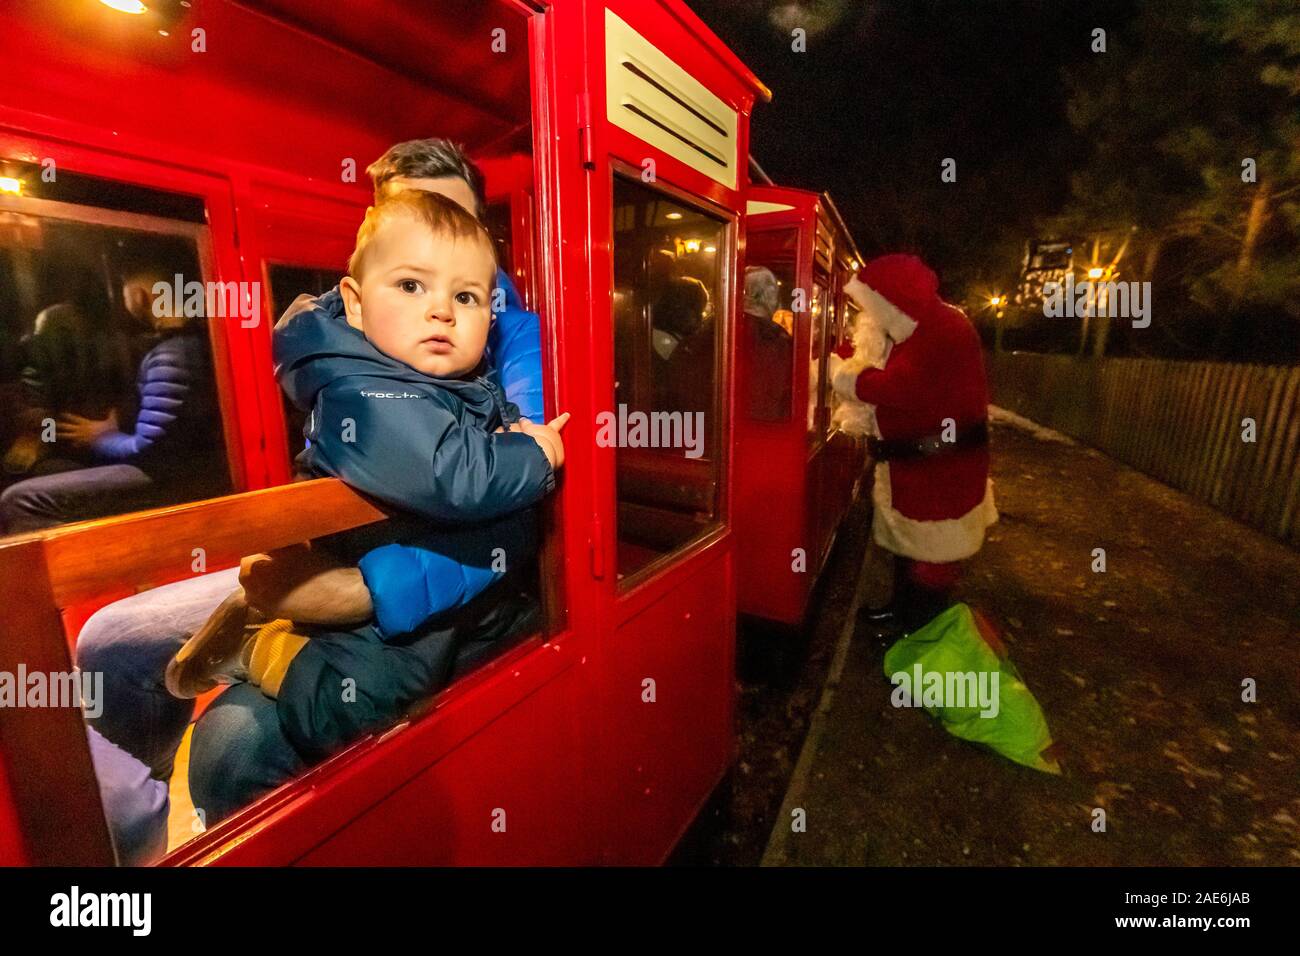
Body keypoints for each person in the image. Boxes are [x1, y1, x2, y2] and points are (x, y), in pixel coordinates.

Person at [74, 138, 548, 864]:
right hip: (322, 553)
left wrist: (363, 592)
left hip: (407, 572)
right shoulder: (338, 328)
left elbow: (511, 494)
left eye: (453, 227)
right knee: (108, 638)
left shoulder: (510, 339)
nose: (437, 267)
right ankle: (135, 835)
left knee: (231, 748)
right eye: (408, 228)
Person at [163, 189, 566, 731]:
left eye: (467, 297)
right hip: (361, 562)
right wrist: (532, 453)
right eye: (410, 285)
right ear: (354, 303)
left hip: (407, 569)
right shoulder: (368, 392)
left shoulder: (447, 378)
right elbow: (450, 475)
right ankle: (256, 648)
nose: (442, 310)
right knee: (365, 702)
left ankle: (260, 619)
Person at [827, 254, 998, 634]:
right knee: (911, 553)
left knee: (931, 562)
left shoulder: (942, 331)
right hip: (922, 468)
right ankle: (900, 612)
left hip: (942, 474)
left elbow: (900, 388)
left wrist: (844, 377)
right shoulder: (919, 329)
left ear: (891, 302)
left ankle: (918, 637)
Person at [0, 267, 223, 532]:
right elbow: (44, 412)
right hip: (125, 451)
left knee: (22, 496)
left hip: (159, 466)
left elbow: (149, 440)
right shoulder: (174, 346)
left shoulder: (164, 353)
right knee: (44, 470)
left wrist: (100, 435)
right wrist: (47, 436)